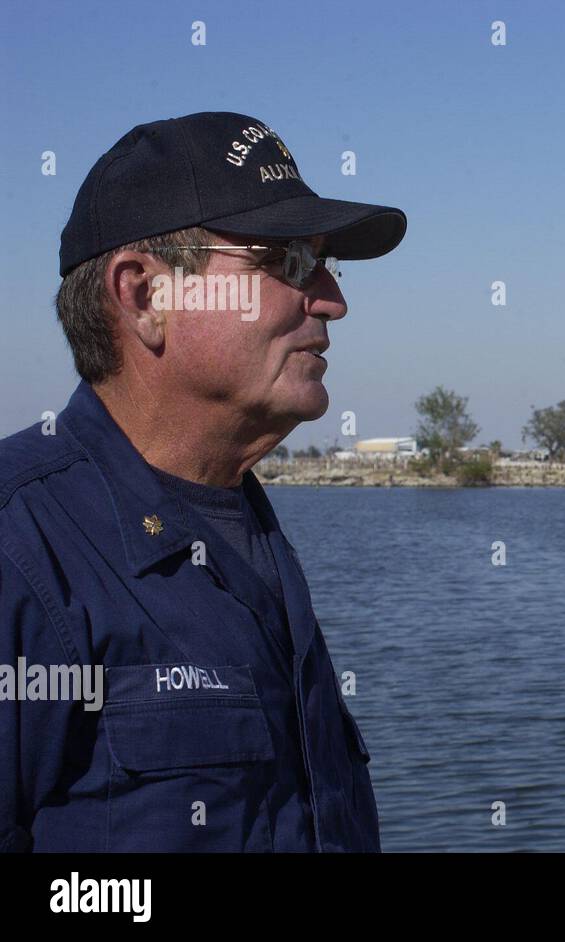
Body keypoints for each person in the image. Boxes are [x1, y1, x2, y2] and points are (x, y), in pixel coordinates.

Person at [0, 112, 406, 851]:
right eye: (284, 262)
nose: (330, 300)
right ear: (146, 295)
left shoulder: (250, 532)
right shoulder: (17, 551)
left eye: (323, 264)